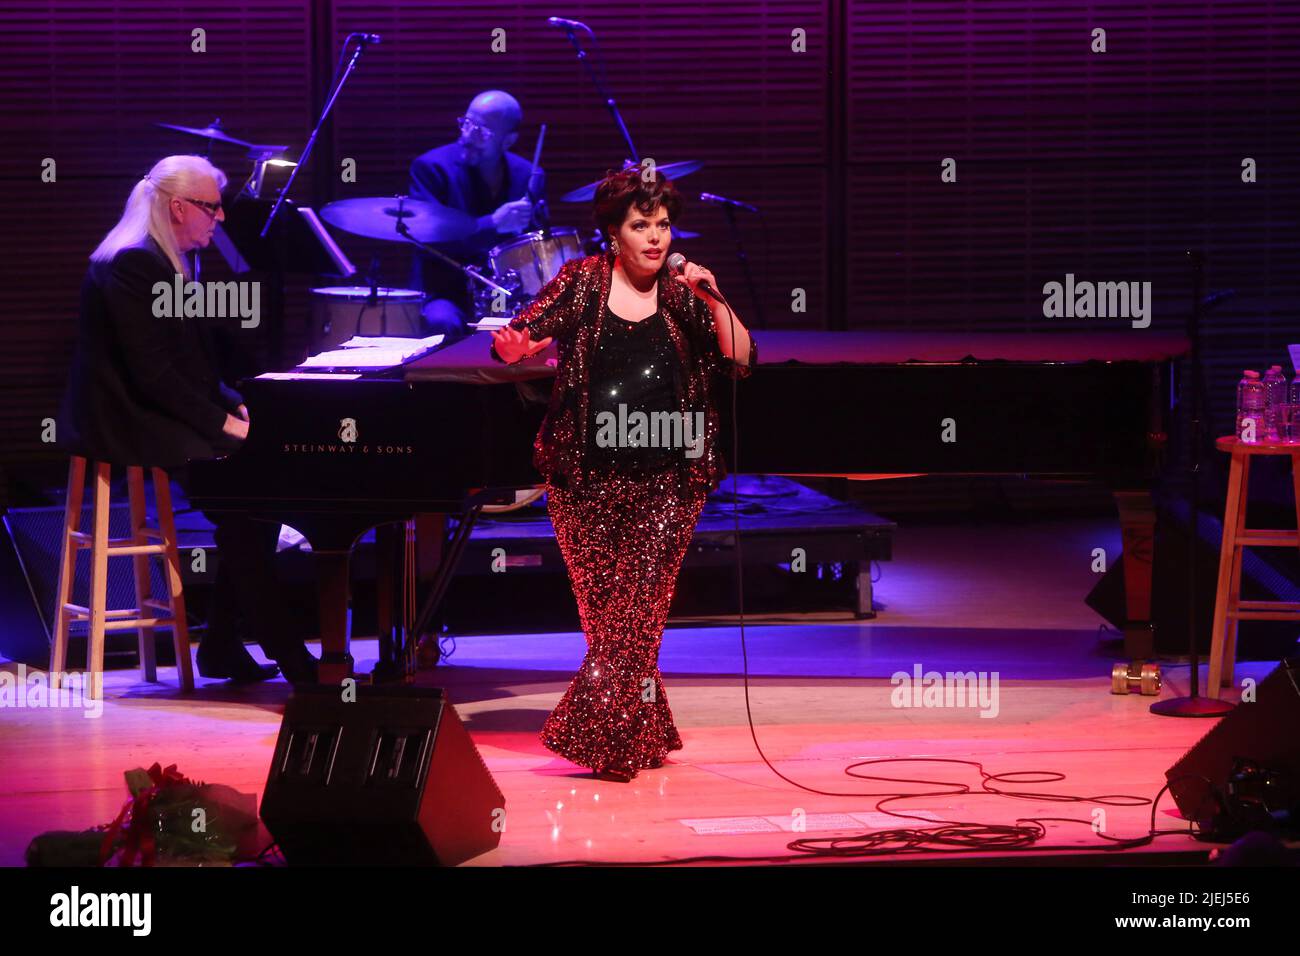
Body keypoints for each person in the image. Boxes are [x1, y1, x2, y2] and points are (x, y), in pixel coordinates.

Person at [489, 168, 757, 781]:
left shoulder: (686, 292)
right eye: (641, 226)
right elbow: (522, 336)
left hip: (668, 477)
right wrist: (514, 348)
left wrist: (714, 294)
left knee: (635, 614)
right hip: (582, 477)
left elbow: (742, 360)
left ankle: (596, 740)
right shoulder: (581, 282)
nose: (656, 238)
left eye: (663, 225)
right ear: (614, 232)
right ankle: (648, 728)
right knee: (611, 620)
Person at [59, 154, 319, 685]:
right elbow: (154, 377)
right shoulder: (134, 264)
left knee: (252, 498)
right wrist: (224, 427)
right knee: (248, 494)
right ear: (178, 208)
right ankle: (291, 659)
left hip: (157, 407)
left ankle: (224, 645)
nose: (220, 218)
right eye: (212, 208)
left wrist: (235, 404)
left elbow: (191, 365)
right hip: (127, 418)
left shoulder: (169, 259)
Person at [409, 90, 544, 340]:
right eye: (466, 123)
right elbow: (427, 239)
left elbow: (539, 246)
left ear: (508, 141)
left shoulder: (528, 175)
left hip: (507, 295)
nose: (467, 136)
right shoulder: (431, 168)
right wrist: (492, 224)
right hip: (445, 292)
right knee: (443, 322)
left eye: (481, 131)